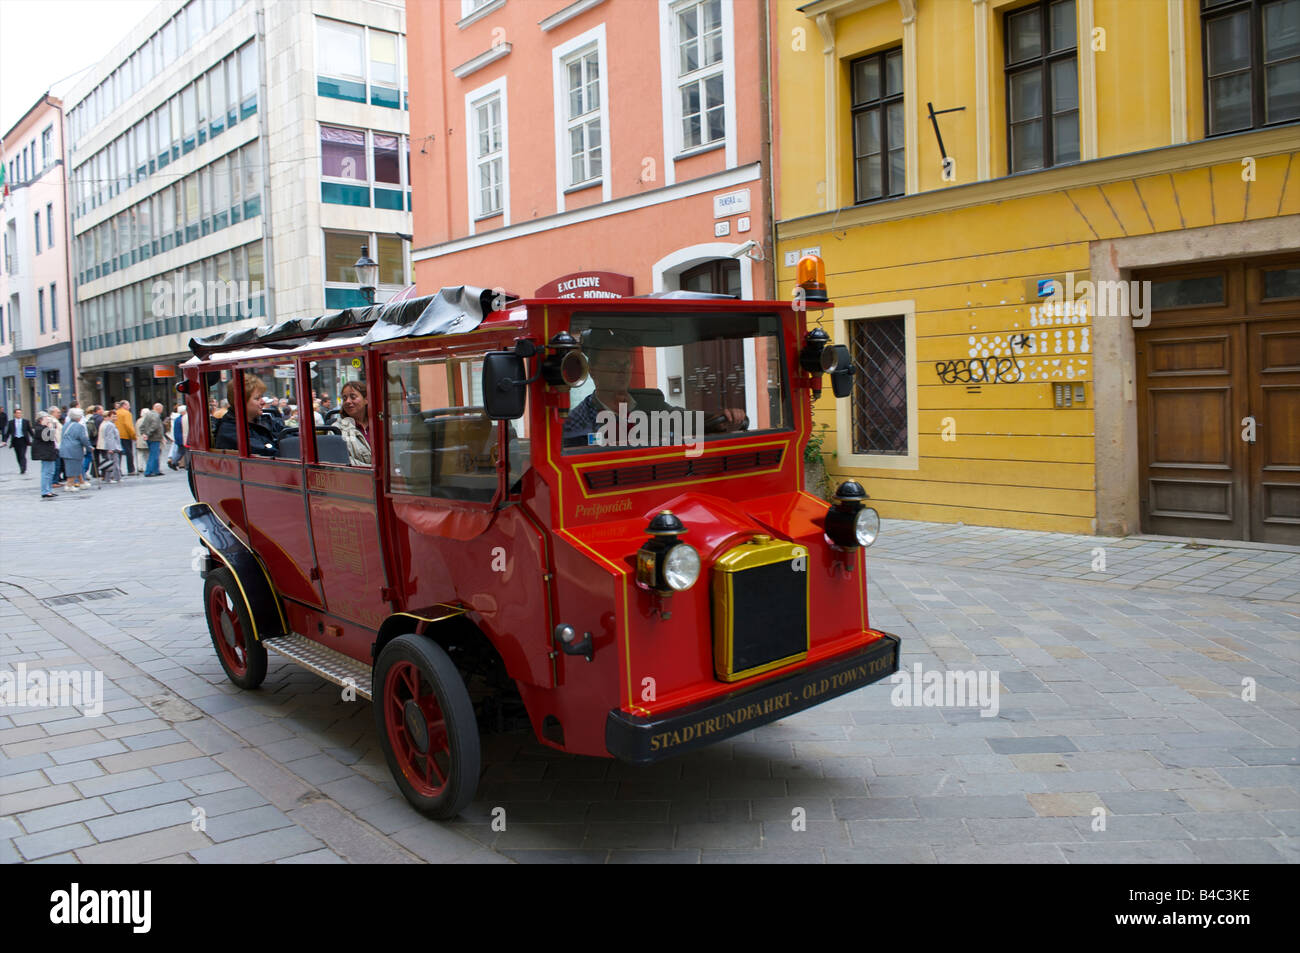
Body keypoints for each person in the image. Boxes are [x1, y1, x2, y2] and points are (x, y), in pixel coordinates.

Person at [563, 331, 746, 447]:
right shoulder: (579, 419)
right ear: (593, 371)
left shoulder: (650, 402)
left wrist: (724, 419)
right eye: (612, 364)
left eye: (626, 364)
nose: (622, 370)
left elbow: (686, 420)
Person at [214, 373, 278, 457]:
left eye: (262, 397)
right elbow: (266, 452)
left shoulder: (264, 420)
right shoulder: (230, 431)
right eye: (257, 398)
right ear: (241, 402)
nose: (263, 402)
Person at [338, 380, 371, 466]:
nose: (348, 401)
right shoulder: (336, 429)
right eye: (344, 398)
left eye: (353, 397)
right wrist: (375, 469)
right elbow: (342, 460)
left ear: (366, 399)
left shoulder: (380, 424)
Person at [59, 408, 93, 492]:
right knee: (73, 468)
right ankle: (69, 485)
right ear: (78, 417)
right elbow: (83, 439)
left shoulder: (66, 425)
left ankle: (82, 482)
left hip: (64, 448)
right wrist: (89, 447)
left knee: (76, 466)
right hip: (74, 449)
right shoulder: (79, 426)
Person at [31, 411, 60, 498]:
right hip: (45, 454)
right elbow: (48, 438)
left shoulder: (43, 428)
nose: (48, 420)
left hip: (49, 453)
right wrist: (51, 428)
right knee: (46, 472)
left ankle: (48, 490)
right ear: (41, 420)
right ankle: (45, 491)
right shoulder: (39, 428)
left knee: (50, 472)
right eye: (46, 418)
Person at [140, 403, 165, 476]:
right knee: (153, 455)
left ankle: (156, 470)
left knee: (154, 454)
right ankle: (148, 471)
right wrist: (147, 433)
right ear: (158, 408)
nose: (162, 410)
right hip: (154, 438)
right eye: (161, 408)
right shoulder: (156, 415)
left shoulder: (148, 414)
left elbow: (142, 426)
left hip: (150, 438)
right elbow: (155, 426)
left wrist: (143, 434)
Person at [3, 408, 31, 474]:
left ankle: (23, 468)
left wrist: (35, 438)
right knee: (18, 455)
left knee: (22, 454)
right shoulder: (11, 422)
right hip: (15, 441)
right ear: (14, 414)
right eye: (17, 413)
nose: (19, 414)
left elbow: (30, 431)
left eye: (20, 413)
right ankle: (21, 466)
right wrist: (4, 441)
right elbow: (8, 433)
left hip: (23, 440)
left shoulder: (25, 422)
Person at [97, 411, 122, 482]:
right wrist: (111, 448)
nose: (115, 418)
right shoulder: (110, 425)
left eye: (116, 416)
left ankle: (111, 478)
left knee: (111, 463)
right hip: (113, 447)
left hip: (113, 446)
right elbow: (109, 437)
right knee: (113, 463)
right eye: (113, 416)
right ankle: (115, 478)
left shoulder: (109, 424)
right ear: (109, 417)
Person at [116, 401, 137, 475]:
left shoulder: (116, 412)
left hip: (117, 435)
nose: (129, 407)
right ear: (124, 405)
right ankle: (131, 470)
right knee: (129, 453)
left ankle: (118, 470)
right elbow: (128, 425)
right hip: (125, 435)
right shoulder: (127, 413)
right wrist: (133, 435)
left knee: (118, 454)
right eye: (128, 405)